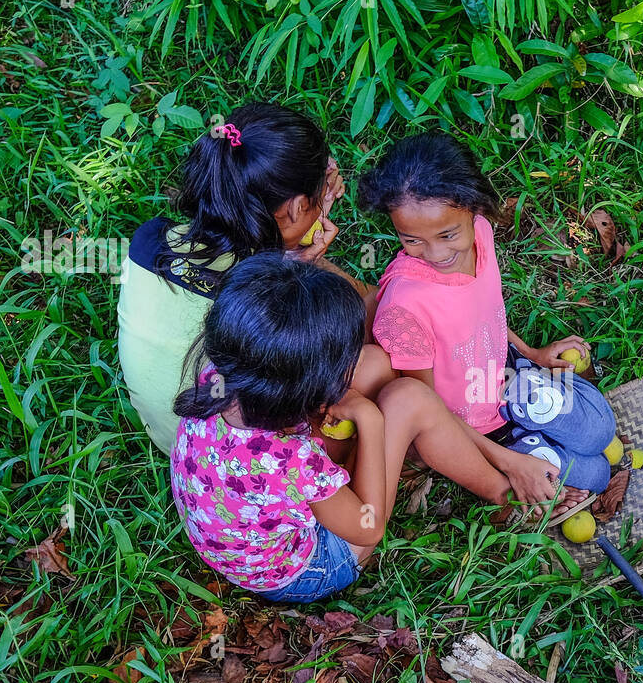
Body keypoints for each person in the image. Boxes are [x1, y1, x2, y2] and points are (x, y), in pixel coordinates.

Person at [170, 253, 514, 603]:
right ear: (305, 388)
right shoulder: (293, 459)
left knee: (373, 365)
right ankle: (505, 495)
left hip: (243, 527)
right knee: (408, 399)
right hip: (311, 568)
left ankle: (420, 456)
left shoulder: (223, 377)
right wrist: (370, 420)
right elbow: (369, 529)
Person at [357, 132, 598, 519]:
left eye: (447, 234)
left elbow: (485, 313)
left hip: (503, 381)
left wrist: (531, 354)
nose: (435, 253)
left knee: (596, 434)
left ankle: (525, 447)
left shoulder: (482, 235)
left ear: (473, 208)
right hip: (467, 431)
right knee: (592, 472)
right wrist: (508, 462)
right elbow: (429, 411)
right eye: (411, 240)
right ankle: (503, 486)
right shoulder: (405, 305)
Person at [118, 102, 375, 453]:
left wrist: (298, 236)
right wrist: (307, 260)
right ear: (297, 207)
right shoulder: (266, 300)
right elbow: (360, 310)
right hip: (243, 463)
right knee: (376, 360)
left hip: (176, 445)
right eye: (313, 202)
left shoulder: (148, 241)